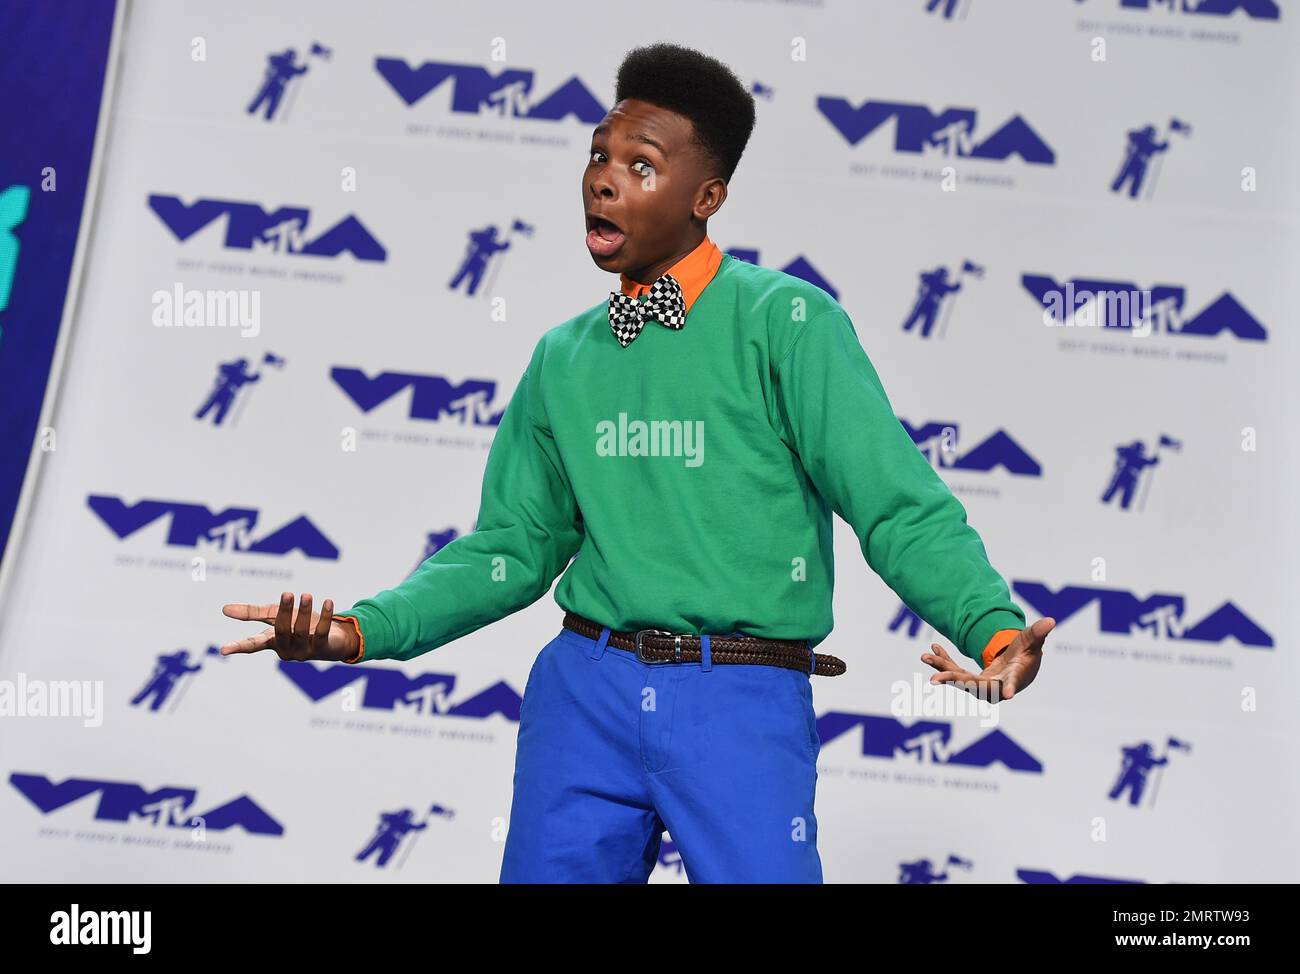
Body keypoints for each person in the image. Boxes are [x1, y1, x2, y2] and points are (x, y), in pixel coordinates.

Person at [220, 43, 1054, 884]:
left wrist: (992, 627)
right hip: (584, 692)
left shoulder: (788, 321)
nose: (604, 179)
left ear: (707, 197)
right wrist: (364, 629)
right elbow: (510, 545)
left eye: (641, 166)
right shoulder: (563, 357)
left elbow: (895, 504)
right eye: (598, 157)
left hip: (739, 698)